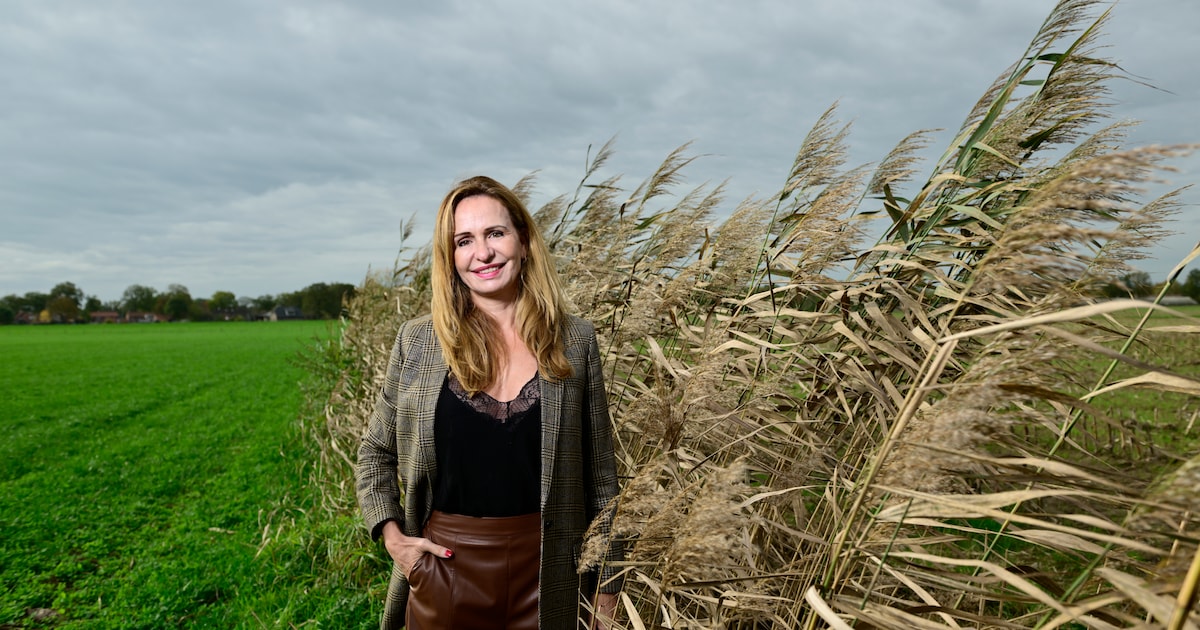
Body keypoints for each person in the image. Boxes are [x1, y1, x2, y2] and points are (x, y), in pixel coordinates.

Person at [356, 175, 623, 629]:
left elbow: (601, 478)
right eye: (464, 240)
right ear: (450, 256)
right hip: (444, 572)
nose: (483, 253)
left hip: (551, 576)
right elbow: (375, 452)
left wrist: (609, 587)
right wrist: (393, 536)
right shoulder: (418, 342)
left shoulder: (576, 341)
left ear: (523, 240)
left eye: (495, 233)